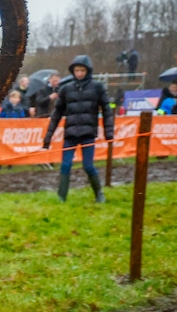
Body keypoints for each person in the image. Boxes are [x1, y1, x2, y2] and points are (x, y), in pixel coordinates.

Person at [43, 55, 114, 203]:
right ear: (73, 71)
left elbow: (107, 111)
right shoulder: (66, 89)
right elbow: (56, 114)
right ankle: (61, 198)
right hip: (70, 134)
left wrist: (109, 132)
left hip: (88, 134)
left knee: (88, 166)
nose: (79, 73)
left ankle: (99, 194)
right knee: (66, 165)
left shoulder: (97, 87)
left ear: (87, 71)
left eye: (82, 70)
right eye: (77, 70)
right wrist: (47, 138)